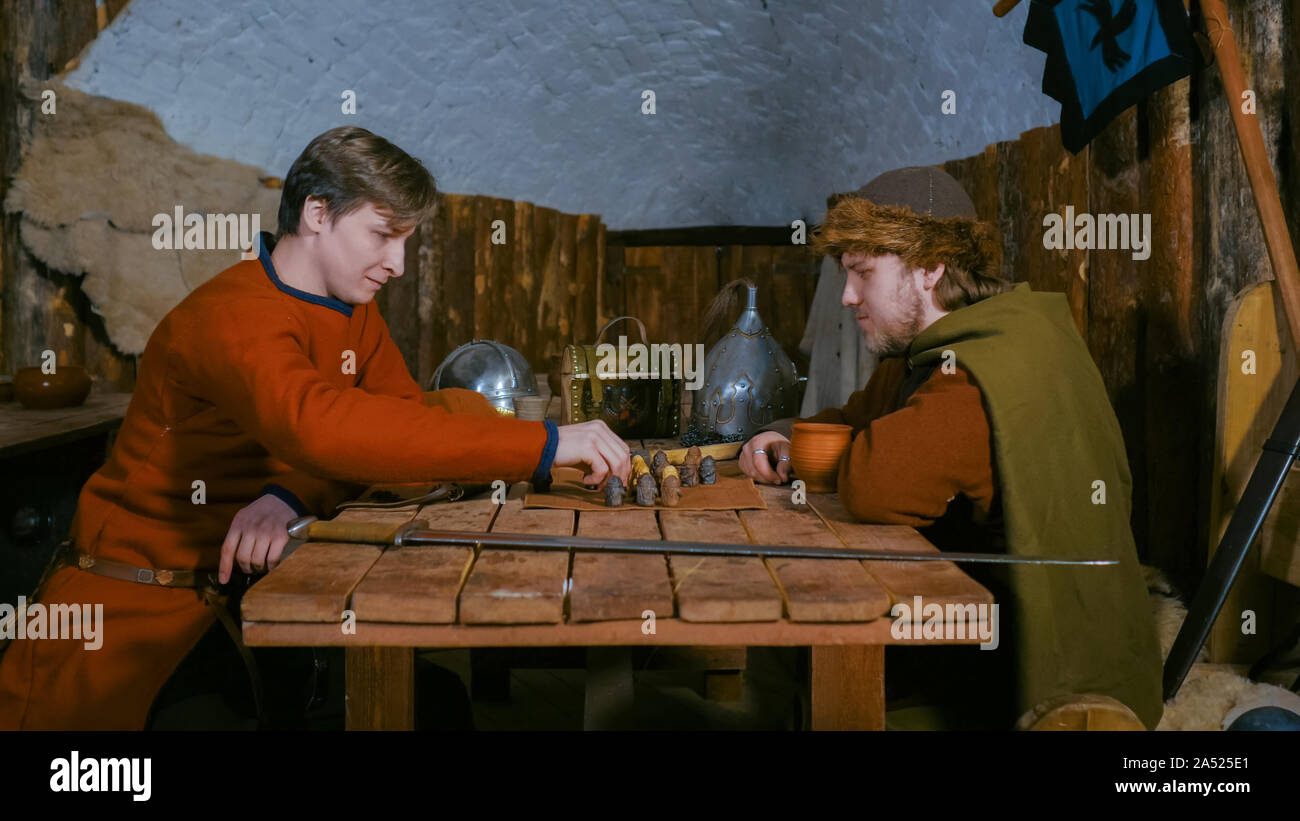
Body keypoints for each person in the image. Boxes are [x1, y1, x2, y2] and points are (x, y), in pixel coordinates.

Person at [0, 126, 630, 730]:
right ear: (318, 213)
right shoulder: (233, 313)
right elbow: (321, 429)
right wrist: (547, 443)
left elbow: (399, 428)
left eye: (406, 242)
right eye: (384, 236)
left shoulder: (352, 308)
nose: (399, 264)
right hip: (144, 616)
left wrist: (291, 495)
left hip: (251, 596)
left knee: (431, 703)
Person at [737, 166, 1163, 730]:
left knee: (811, 639)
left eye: (862, 273)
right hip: (967, 628)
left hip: (1023, 676)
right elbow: (851, 419)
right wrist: (786, 435)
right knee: (784, 640)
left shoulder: (978, 371)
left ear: (930, 268)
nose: (846, 296)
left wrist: (831, 454)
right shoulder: (932, 352)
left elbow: (875, 485)